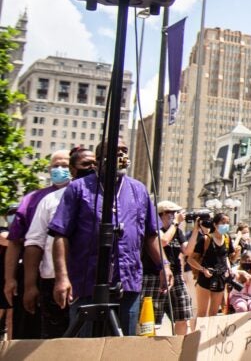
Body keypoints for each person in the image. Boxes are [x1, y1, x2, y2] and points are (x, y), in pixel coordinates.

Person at [50, 139, 168, 336]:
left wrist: (163, 265)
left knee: (123, 345)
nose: (121, 155)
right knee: (85, 345)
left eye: (124, 150)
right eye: (115, 150)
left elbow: (150, 235)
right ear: (98, 160)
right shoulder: (78, 188)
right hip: (88, 282)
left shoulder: (138, 189)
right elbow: (60, 234)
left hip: (128, 283)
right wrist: (62, 278)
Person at [22, 146, 96, 338]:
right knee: (54, 342)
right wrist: (30, 285)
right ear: (73, 169)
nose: (92, 168)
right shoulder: (50, 200)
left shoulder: (104, 200)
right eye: (86, 164)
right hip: (54, 282)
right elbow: (34, 243)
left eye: (95, 164)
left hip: (89, 283)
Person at [3, 150, 71, 339]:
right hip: (41, 277)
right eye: (55, 166)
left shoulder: (83, 195)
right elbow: (16, 241)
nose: (59, 169)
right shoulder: (34, 199)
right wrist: (11, 280)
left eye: (65, 165)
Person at [138, 201, 195, 334]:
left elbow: (187, 250)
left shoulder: (177, 231)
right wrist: (176, 222)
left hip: (176, 276)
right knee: (151, 318)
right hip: (154, 276)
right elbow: (163, 241)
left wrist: (196, 230)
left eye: (176, 213)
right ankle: (147, 344)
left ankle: (180, 344)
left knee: (183, 315)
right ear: (162, 214)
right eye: (172, 212)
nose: (175, 215)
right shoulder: (154, 229)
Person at [188, 213, 237, 318]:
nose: (226, 225)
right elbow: (190, 259)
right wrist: (203, 270)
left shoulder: (227, 239)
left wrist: (229, 269)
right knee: (202, 313)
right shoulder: (206, 239)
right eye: (223, 223)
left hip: (220, 278)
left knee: (214, 313)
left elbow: (225, 256)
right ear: (215, 224)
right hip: (205, 278)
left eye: (227, 223)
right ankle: (198, 329)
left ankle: (210, 330)